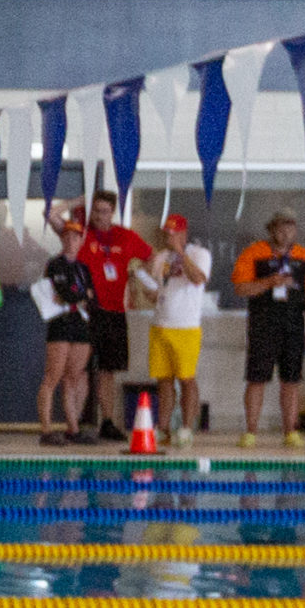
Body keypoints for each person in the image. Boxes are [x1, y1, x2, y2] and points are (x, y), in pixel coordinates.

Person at [234, 210, 305, 449]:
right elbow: (241, 288)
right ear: (271, 229)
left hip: (293, 325)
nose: (285, 232)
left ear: (296, 230)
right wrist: (269, 282)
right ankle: (251, 431)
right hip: (263, 325)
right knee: (256, 379)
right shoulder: (254, 253)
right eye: (280, 227)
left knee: (291, 380)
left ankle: (290, 431)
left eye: (290, 227)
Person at [74, 191, 152, 441]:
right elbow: (51, 217)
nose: (99, 215)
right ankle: (77, 424)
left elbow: (152, 256)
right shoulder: (82, 234)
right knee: (81, 370)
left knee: (108, 370)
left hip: (115, 312)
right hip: (88, 312)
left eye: (104, 211)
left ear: (113, 212)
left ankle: (106, 421)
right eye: (95, 210)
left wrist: (146, 281)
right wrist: (77, 201)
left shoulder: (125, 237)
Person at [143, 213, 211, 449]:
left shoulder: (199, 254)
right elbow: (154, 290)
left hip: (186, 327)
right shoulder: (161, 257)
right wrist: (148, 290)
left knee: (186, 379)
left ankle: (185, 428)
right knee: (163, 380)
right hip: (160, 324)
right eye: (167, 233)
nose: (169, 237)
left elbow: (198, 279)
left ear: (183, 233)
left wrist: (181, 254)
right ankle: (163, 427)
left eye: (173, 233)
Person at [33, 211, 95, 447]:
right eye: (67, 236)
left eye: (75, 237)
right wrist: (79, 297)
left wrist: (76, 298)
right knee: (53, 376)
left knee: (73, 378)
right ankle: (46, 429)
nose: (71, 241)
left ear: (81, 241)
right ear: (62, 240)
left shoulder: (83, 269)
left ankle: (73, 428)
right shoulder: (55, 264)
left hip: (80, 326)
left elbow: (92, 298)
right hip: (60, 326)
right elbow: (64, 293)